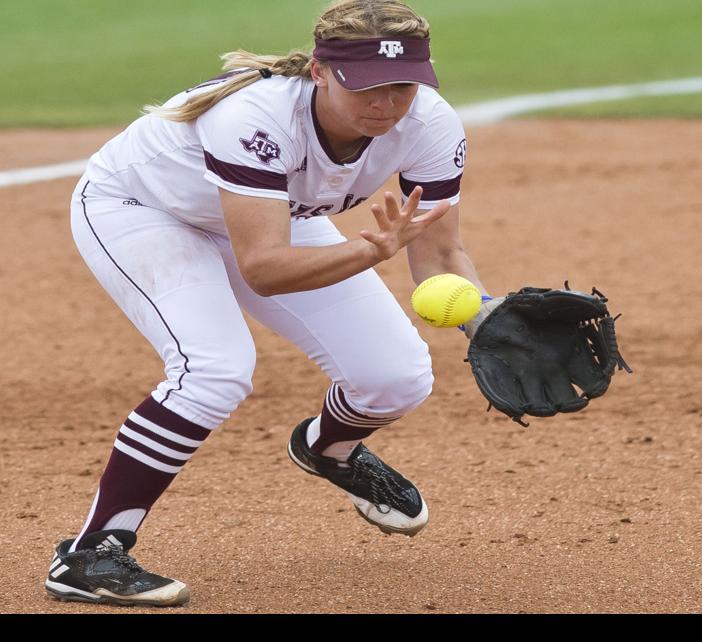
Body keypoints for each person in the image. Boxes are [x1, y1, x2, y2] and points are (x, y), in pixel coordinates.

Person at [47, 0, 488, 607]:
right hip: (146, 211)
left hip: (276, 219)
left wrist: (484, 317)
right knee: (215, 370)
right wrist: (367, 253)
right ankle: (90, 553)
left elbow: (439, 258)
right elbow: (266, 269)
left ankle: (326, 448)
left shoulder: (430, 125)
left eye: (403, 85)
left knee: (396, 378)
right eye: (366, 87)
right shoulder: (253, 119)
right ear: (320, 72)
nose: (386, 104)